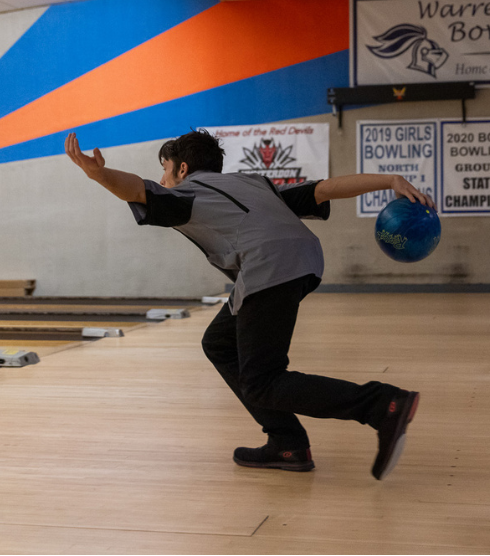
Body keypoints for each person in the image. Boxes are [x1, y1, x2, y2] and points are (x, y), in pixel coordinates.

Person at [65, 129, 430, 480]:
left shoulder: (188, 193)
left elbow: (137, 190)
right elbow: (322, 189)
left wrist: (100, 175)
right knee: (220, 343)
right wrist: (390, 180)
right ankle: (286, 443)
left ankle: (383, 404)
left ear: (182, 169)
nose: (163, 177)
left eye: (165, 168)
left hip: (267, 265)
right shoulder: (255, 184)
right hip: (301, 260)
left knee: (263, 382)